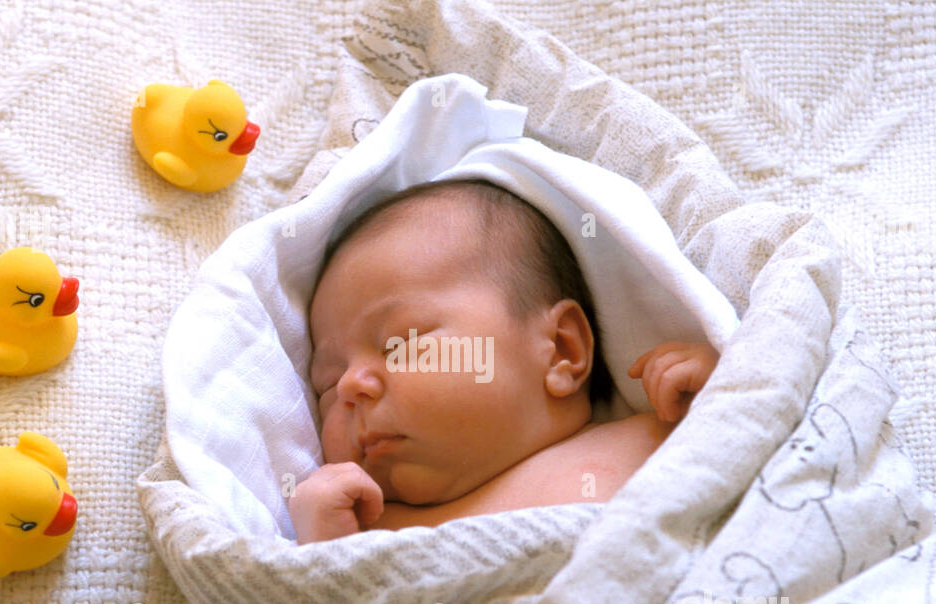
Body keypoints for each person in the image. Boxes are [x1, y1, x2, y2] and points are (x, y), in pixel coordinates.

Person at [291, 178, 719, 544]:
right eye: (327, 384)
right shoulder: (370, 528)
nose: (349, 386)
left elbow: (758, 438)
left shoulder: (664, 429)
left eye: (402, 342)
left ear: (560, 351)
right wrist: (324, 545)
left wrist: (720, 386)